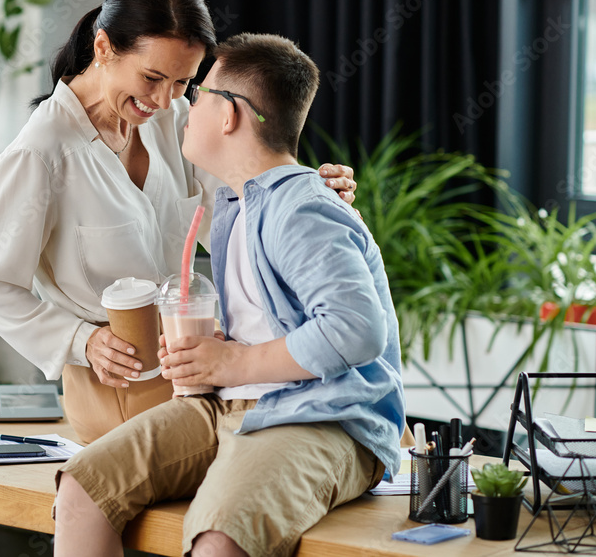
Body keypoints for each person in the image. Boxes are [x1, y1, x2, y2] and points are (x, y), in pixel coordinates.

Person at [0, 0, 358, 444]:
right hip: (119, 386)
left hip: (196, 370)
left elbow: (241, 211)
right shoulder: (42, 153)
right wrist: (80, 340)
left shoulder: (173, 121)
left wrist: (303, 193)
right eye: (152, 77)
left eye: (182, 83)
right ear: (103, 48)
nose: (165, 100)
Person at [53, 33, 406, 557]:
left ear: (229, 116)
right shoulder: (237, 207)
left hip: (322, 417)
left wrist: (232, 362)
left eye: (198, 95)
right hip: (228, 405)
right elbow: (271, 324)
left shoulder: (302, 208)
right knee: (82, 487)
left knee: (219, 537)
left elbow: (357, 329)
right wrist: (219, 353)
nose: (183, 105)